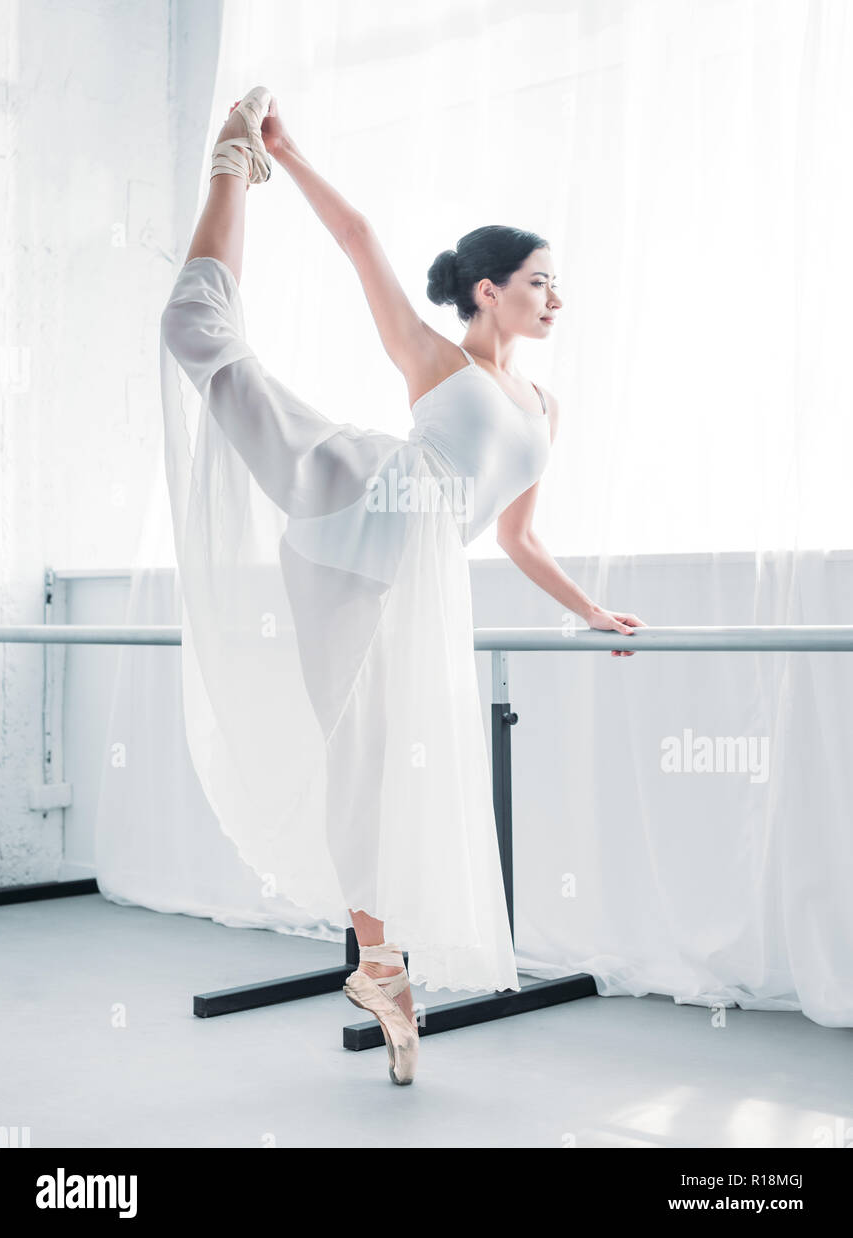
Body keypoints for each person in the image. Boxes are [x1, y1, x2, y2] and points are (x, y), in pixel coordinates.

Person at [159, 85, 646, 1086]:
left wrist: (588, 609)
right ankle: (228, 168)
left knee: (370, 764)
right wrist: (281, 153)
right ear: (486, 291)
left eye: (558, 286)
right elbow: (359, 236)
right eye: (540, 282)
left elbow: (519, 533)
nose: (556, 299)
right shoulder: (433, 359)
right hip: (360, 495)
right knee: (197, 337)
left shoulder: (546, 408)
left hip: (401, 583)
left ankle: (380, 967)